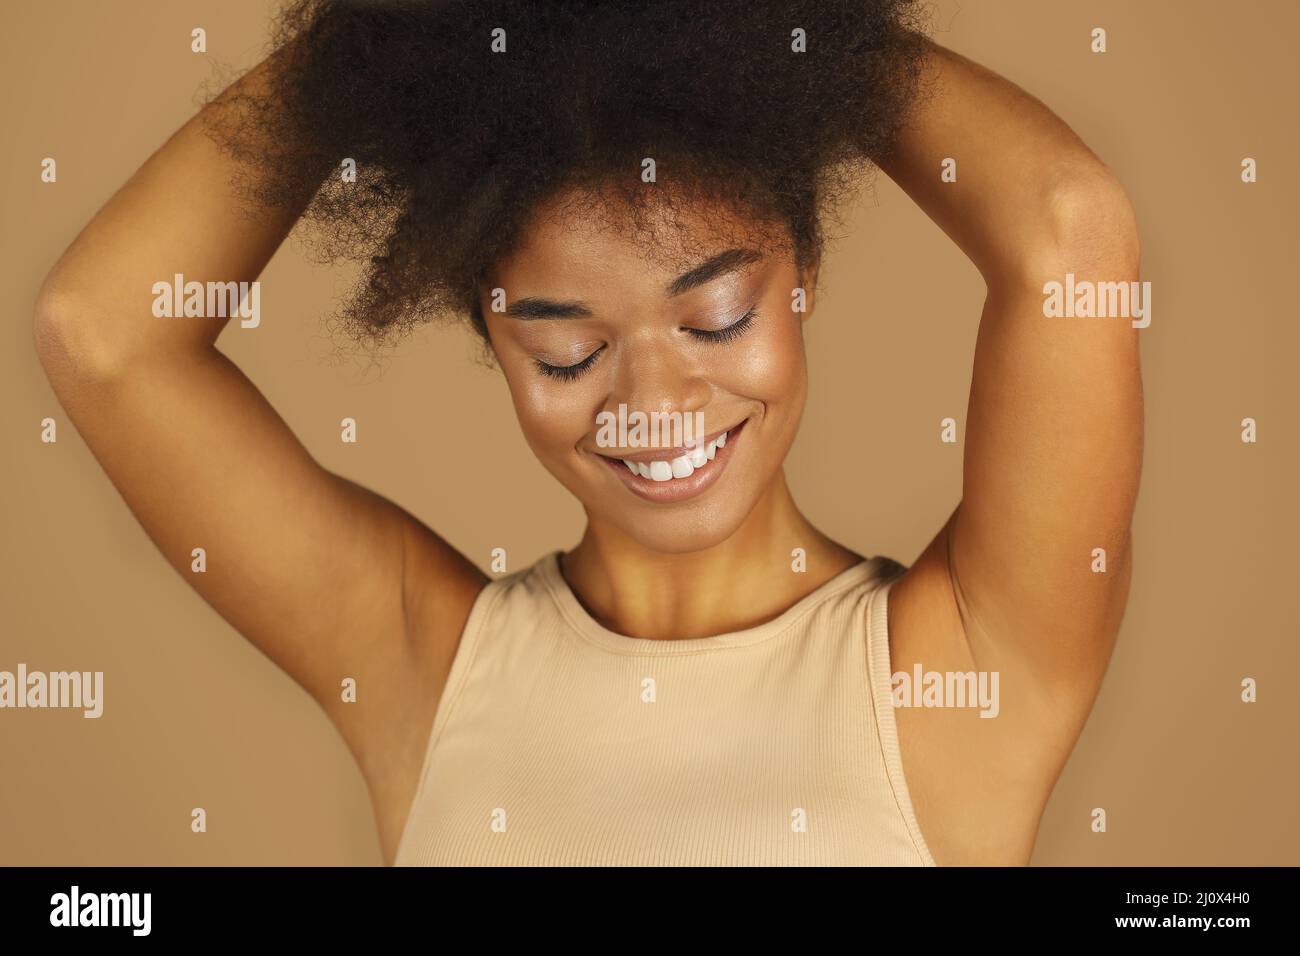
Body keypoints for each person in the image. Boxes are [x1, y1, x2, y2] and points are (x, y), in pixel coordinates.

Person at [33, 0, 1142, 866]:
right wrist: (392, 33)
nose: (650, 398)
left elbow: (1068, 229)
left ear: (803, 276)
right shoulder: (421, 664)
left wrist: (798, 28)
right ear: (492, 334)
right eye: (568, 350)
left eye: (714, 317)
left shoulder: (959, 667)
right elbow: (103, 334)